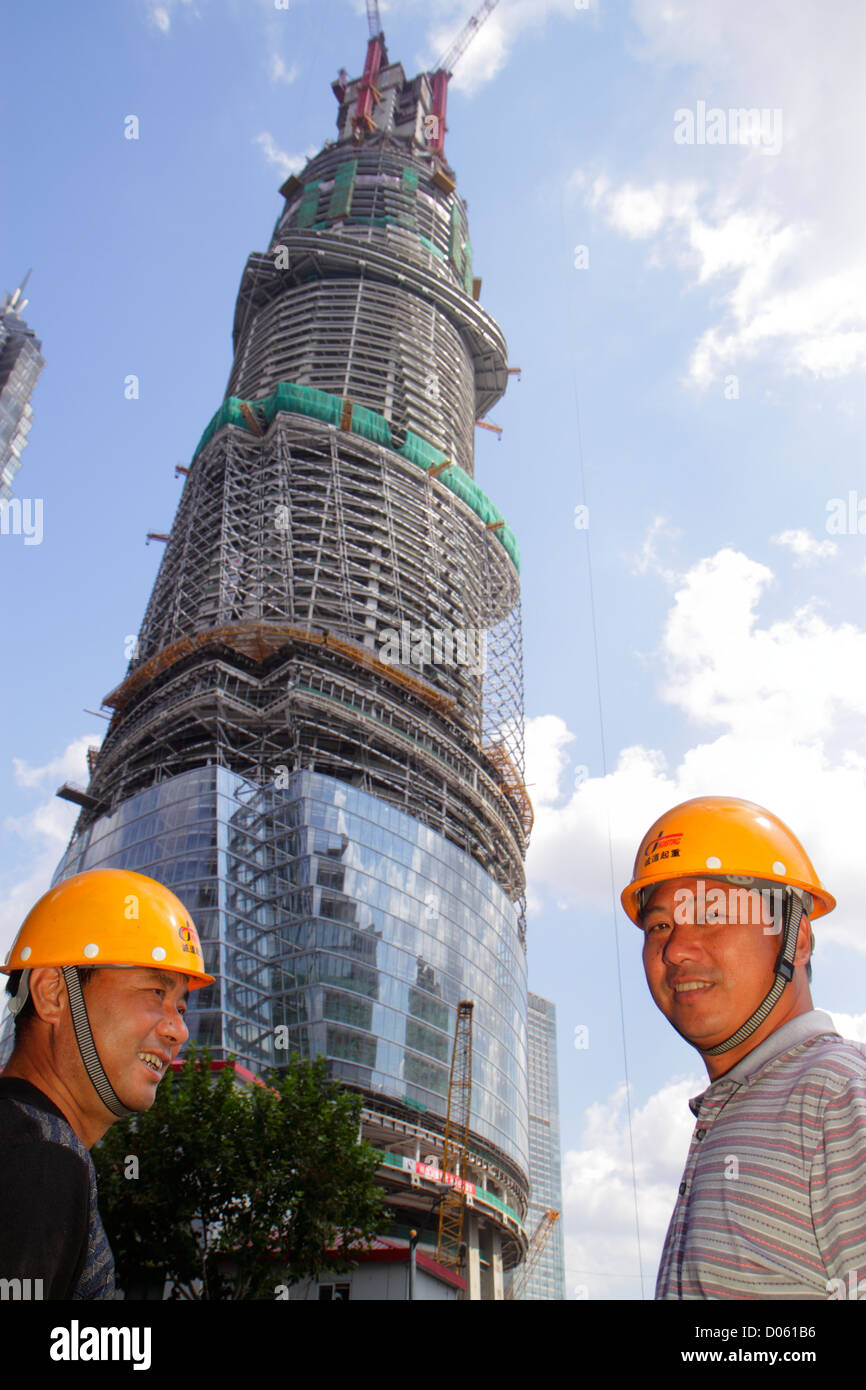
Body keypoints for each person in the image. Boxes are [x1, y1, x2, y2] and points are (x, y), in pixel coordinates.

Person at [621, 795, 866, 1300]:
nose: (676, 948)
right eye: (660, 925)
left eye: (711, 913)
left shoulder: (837, 1098)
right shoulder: (734, 1112)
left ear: (796, 938)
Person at [0, 868, 213, 1299]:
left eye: (182, 1007)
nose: (179, 1031)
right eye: (155, 992)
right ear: (53, 993)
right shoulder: (41, 1160)